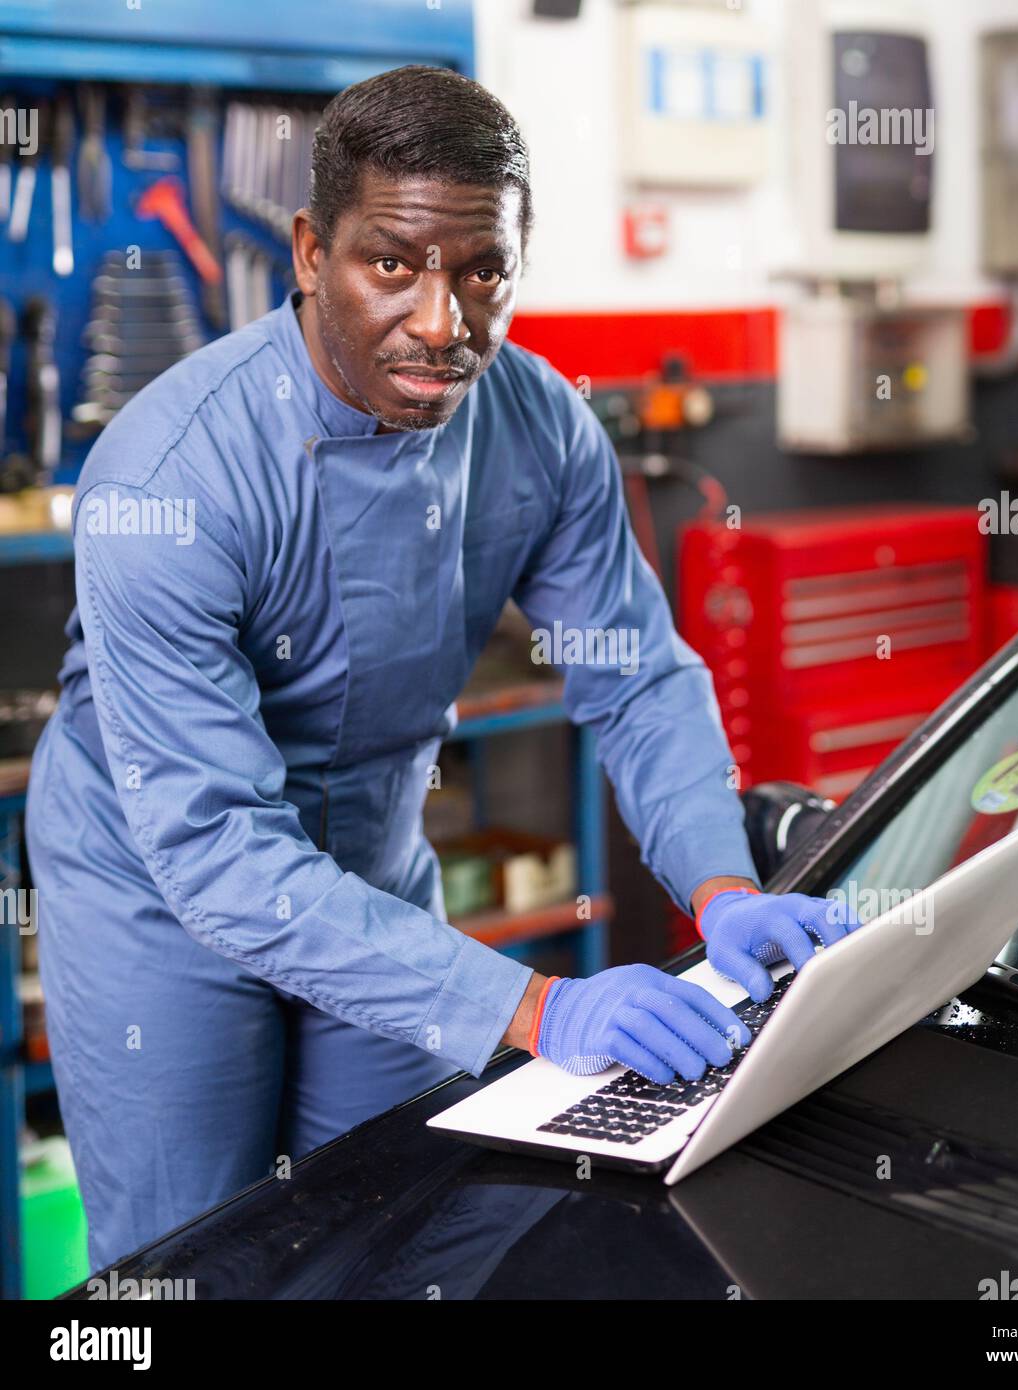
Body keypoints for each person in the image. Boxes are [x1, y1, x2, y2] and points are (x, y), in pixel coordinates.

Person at [25, 65, 855, 1272]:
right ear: (311, 251)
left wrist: (722, 886)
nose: (443, 323)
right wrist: (538, 1008)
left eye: (482, 272)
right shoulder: (169, 481)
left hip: (370, 850)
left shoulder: (541, 426)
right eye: (394, 265)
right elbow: (213, 845)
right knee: (193, 1257)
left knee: (404, 1220)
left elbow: (632, 672)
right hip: (161, 882)